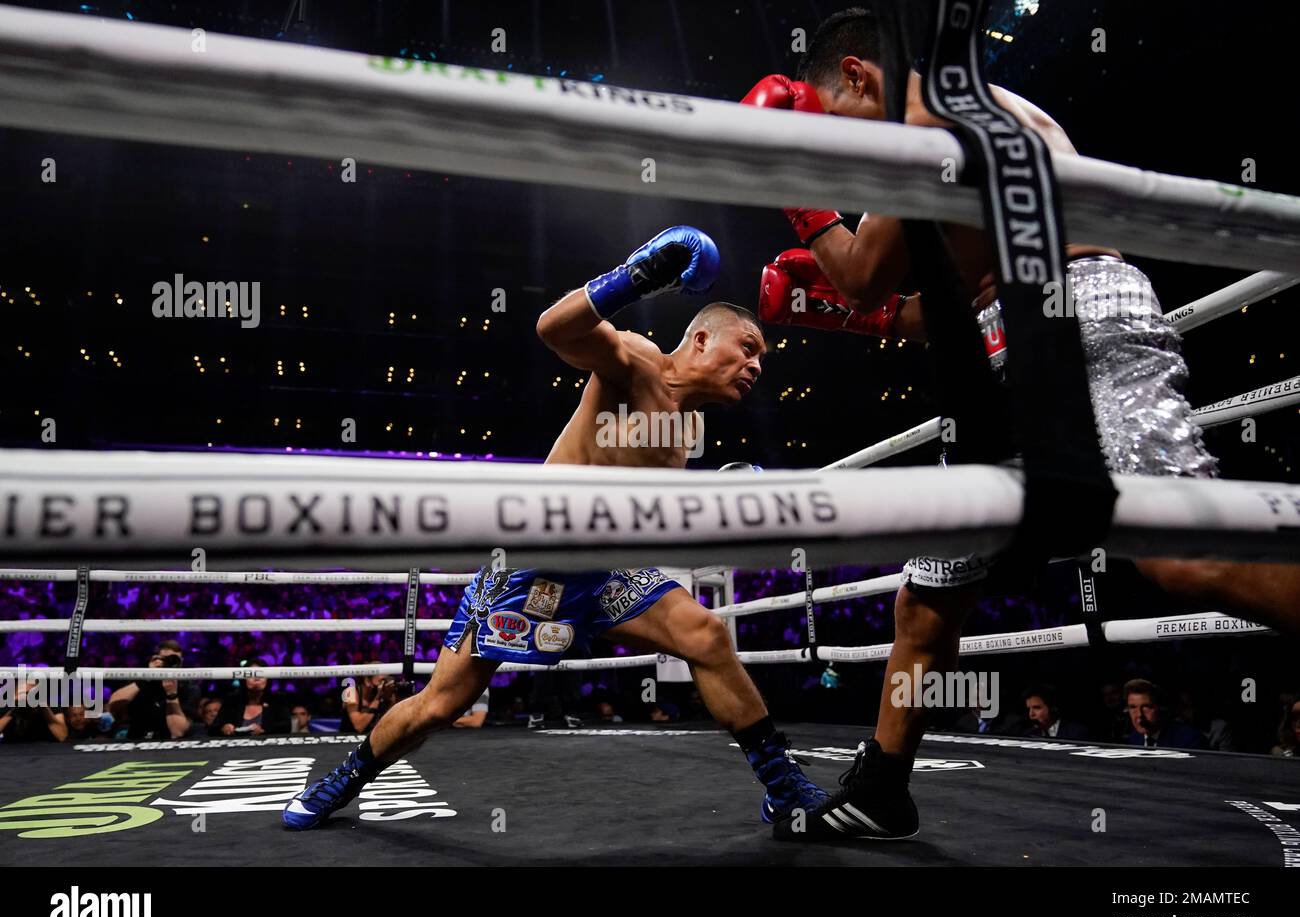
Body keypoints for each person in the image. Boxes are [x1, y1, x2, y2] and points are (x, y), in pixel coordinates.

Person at [749, 8, 1299, 841]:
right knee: (928, 594)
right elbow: (939, 307)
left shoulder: (931, 117)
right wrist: (848, 314)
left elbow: (860, 273)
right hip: (1011, 345)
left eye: (832, 131)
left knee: (1185, 555)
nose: (843, 165)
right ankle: (883, 787)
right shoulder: (963, 131)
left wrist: (799, 195)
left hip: (1079, 323)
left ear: (859, 77)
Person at [285, 226, 827, 831]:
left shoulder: (686, 431)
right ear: (700, 339)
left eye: (761, 358)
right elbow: (554, 329)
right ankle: (343, 779)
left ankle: (783, 786)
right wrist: (639, 275)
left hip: (608, 569)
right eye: (748, 348)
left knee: (705, 635)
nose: (755, 365)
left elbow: (645, 515)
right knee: (442, 704)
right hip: (535, 556)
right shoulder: (638, 364)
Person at [106, 639, 192, 740]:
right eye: (166, 659)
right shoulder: (141, 680)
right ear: (156, 659)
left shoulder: (188, 687)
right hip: (136, 741)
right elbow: (113, 706)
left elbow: (177, 732)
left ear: (181, 661)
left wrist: (171, 694)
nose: (170, 663)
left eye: (174, 659)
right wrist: (147, 677)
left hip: (170, 745)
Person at [210, 660, 291, 737]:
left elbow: (286, 727)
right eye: (251, 675)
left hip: (268, 749)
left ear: (267, 679)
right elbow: (213, 729)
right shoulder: (232, 700)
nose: (257, 678)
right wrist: (223, 729)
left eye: (261, 675)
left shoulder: (277, 699)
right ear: (244, 679)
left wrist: (265, 731)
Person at [1123, 679, 1207, 749]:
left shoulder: (1190, 740)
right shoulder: (1135, 738)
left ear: (1161, 708)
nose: (1139, 715)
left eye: (1146, 707)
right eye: (1133, 707)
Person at [1021, 685, 1089, 741]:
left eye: (1037, 708)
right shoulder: (1029, 734)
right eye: (1029, 709)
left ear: (1053, 708)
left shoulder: (1076, 733)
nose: (1031, 715)